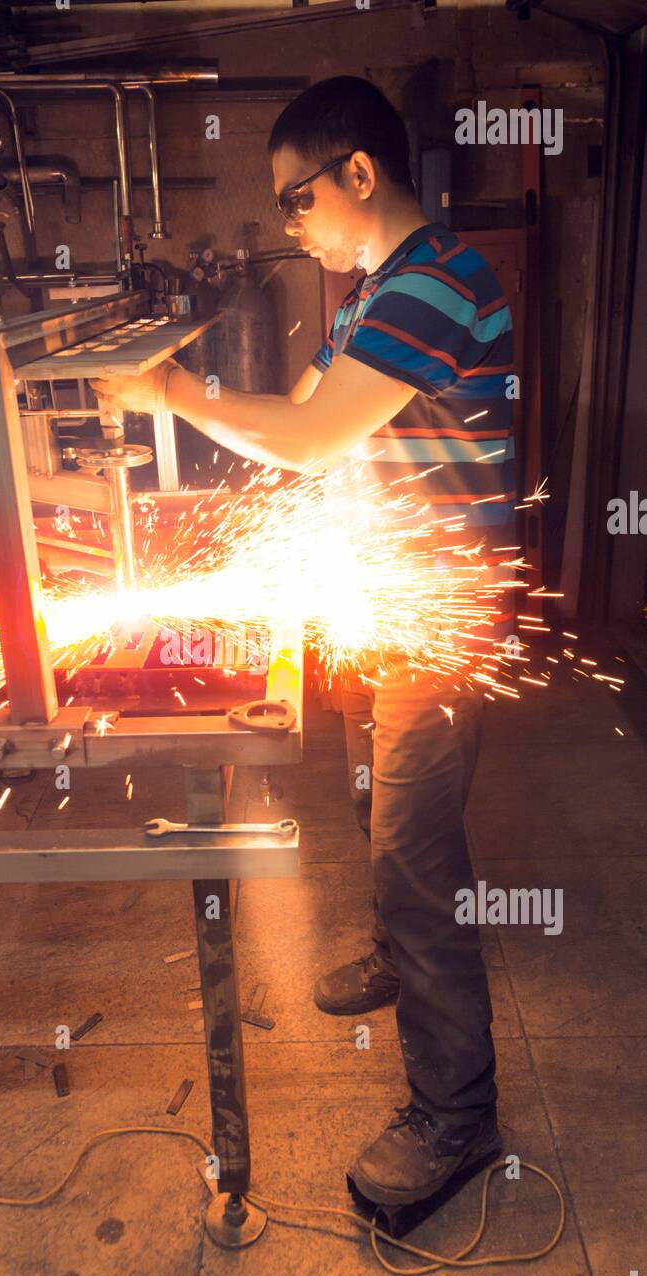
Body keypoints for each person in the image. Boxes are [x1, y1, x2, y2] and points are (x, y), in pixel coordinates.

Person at [91, 75, 516, 1207]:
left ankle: (455, 1114)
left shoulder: (434, 284)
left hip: (445, 613)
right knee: (375, 803)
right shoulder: (369, 295)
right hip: (385, 597)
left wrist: (173, 388)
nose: (290, 224)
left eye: (294, 201)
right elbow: (314, 432)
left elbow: (314, 428)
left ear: (357, 176)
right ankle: (394, 955)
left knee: (414, 859)